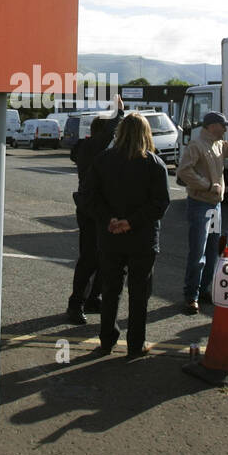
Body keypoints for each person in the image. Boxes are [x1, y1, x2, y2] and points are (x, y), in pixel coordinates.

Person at [80, 113, 170, 358]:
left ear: (119, 133)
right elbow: (160, 204)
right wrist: (130, 222)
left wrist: (109, 219)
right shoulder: (154, 164)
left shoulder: (103, 160)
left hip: (110, 237)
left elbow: (88, 196)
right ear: (146, 134)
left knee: (110, 291)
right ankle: (135, 344)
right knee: (139, 293)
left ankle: (107, 341)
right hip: (142, 238)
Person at [175, 109, 228, 314]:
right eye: (223, 125)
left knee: (212, 249)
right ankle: (191, 295)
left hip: (215, 205)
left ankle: (203, 288)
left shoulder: (219, 144)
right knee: (198, 251)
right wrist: (207, 186)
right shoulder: (196, 145)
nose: (225, 129)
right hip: (200, 204)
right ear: (211, 126)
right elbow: (183, 171)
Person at [66, 99, 125, 324]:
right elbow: (109, 134)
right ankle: (76, 304)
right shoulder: (91, 147)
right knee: (90, 258)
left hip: (97, 209)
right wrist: (118, 111)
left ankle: (92, 298)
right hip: (92, 210)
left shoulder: (87, 148)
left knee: (103, 257)